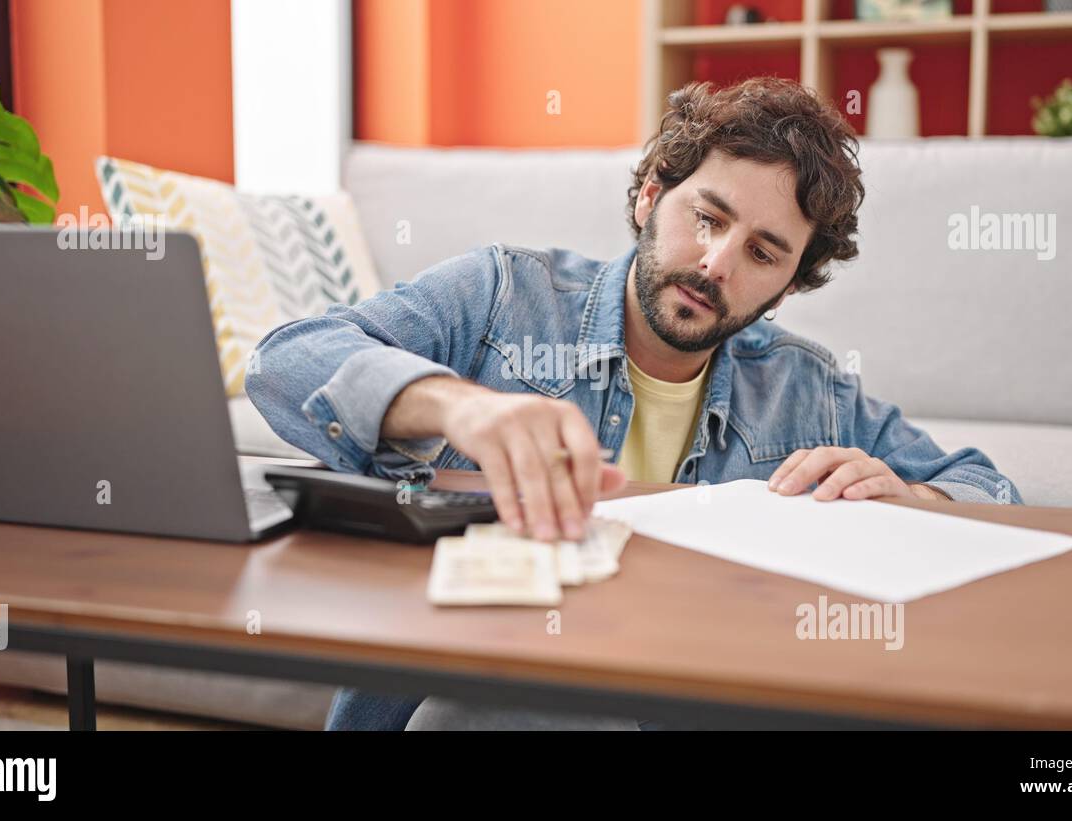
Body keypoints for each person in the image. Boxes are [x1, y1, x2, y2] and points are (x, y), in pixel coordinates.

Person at [246, 77, 1024, 730]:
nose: (717, 264)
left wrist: (914, 494)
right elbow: (285, 361)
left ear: (788, 284)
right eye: (707, 218)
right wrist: (457, 408)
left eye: (761, 252)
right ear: (653, 194)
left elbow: (988, 486)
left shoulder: (805, 388)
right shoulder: (501, 296)